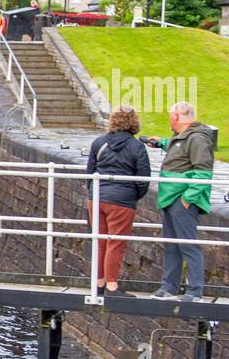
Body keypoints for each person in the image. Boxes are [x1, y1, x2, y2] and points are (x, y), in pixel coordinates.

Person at [146, 101, 215, 301]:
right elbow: (180, 148)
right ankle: (169, 287)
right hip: (170, 197)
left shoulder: (198, 139)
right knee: (171, 244)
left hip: (181, 198)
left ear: (177, 117)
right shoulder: (183, 138)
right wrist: (160, 143)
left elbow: (203, 172)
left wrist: (188, 198)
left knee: (187, 244)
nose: (169, 119)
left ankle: (195, 291)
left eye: (170, 115)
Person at [85, 105, 151, 294]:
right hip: (122, 200)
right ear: (134, 122)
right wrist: (132, 195)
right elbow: (143, 178)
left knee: (100, 242)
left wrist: (93, 193)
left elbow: (89, 173)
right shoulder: (137, 146)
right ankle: (112, 285)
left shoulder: (99, 142)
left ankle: (99, 283)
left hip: (97, 197)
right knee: (116, 243)